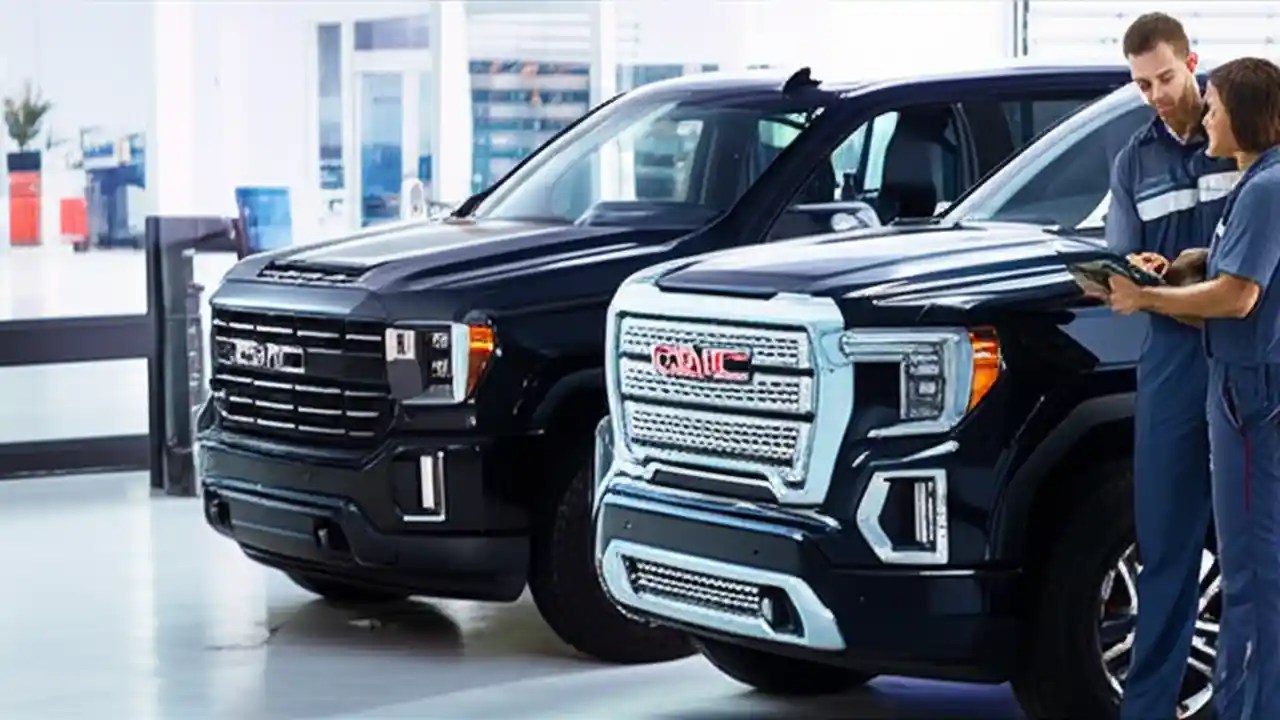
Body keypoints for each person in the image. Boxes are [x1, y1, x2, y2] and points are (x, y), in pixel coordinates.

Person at [1108, 56, 1280, 720]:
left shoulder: (1264, 187)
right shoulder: (1253, 182)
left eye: (1215, 106)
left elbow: (1238, 297)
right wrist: (1194, 262)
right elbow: (1239, 266)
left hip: (1251, 392)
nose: (1206, 115)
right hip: (1234, 386)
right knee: (1245, 571)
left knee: (1253, 576)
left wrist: (1148, 297)